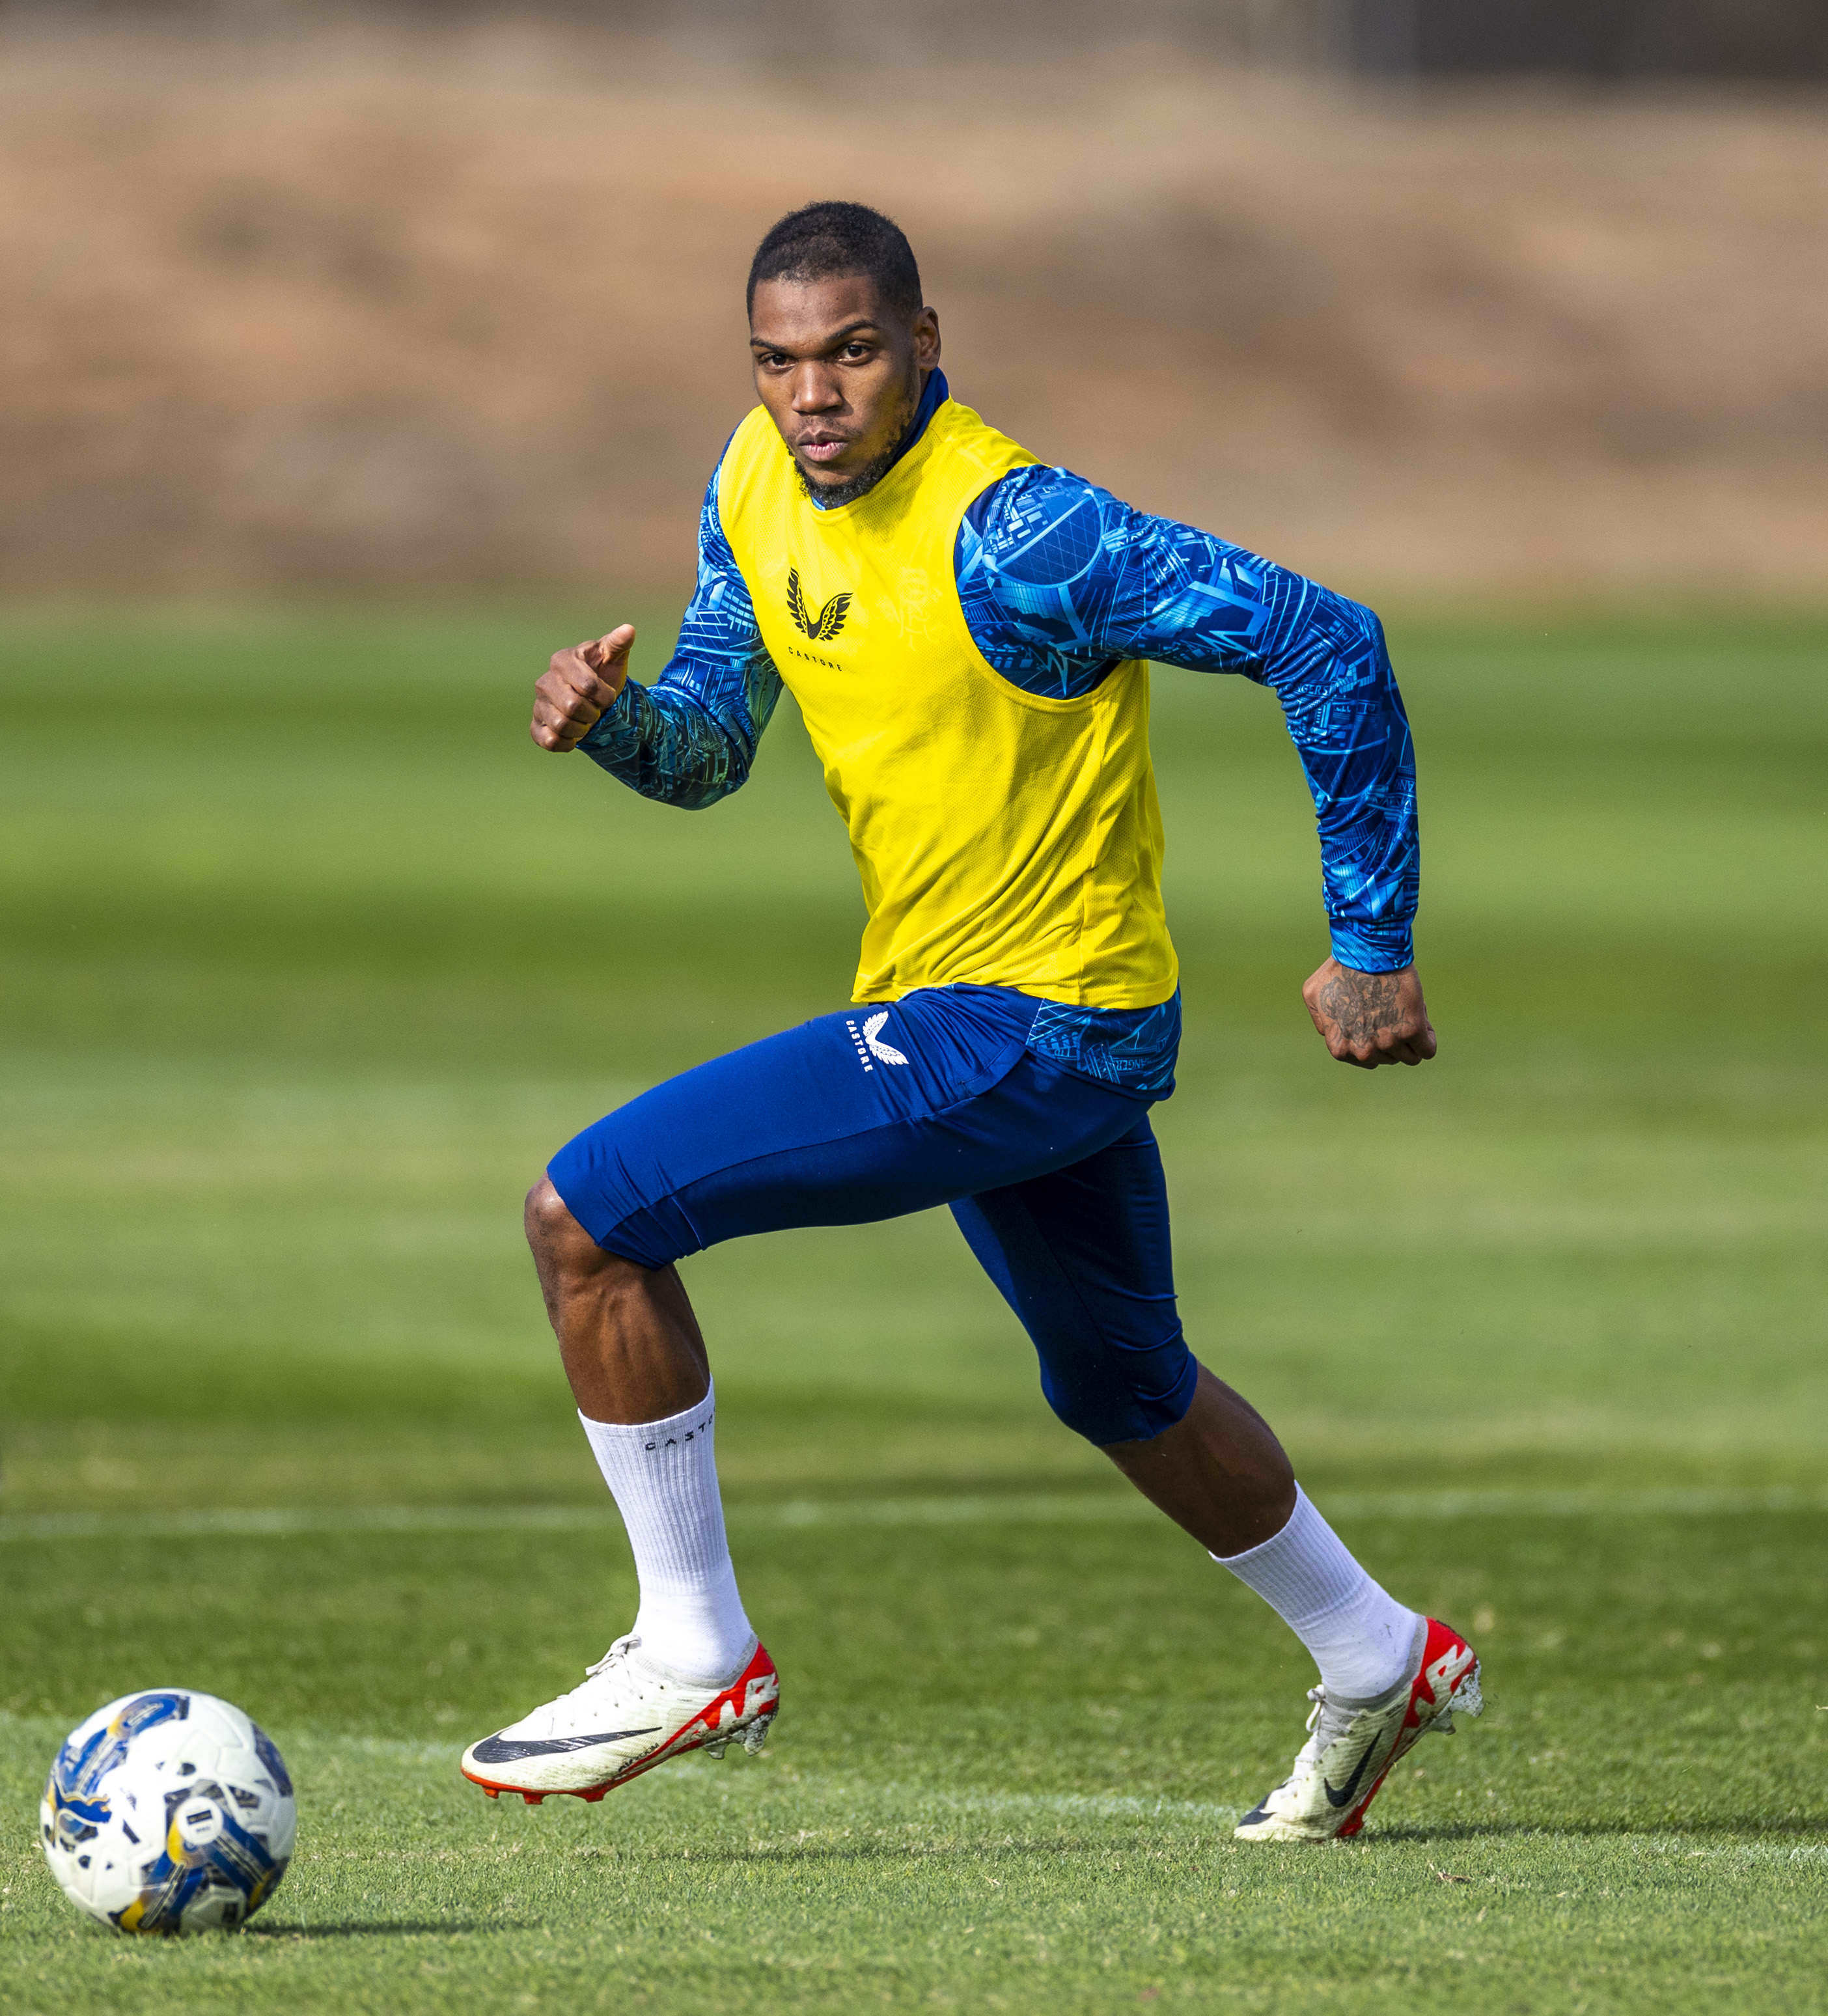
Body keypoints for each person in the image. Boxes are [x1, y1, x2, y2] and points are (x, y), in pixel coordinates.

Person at [460, 202, 1482, 1842]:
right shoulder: (748, 480)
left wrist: (1372, 937)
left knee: (587, 1216)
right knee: (1121, 1383)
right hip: (1005, 1020)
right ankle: (1379, 1655)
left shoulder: (1020, 534)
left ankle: (692, 1647)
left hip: (1024, 1023)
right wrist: (617, 725)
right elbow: (716, 737)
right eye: (782, 361)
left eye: (854, 353)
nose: (816, 397)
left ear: (924, 348)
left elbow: (1324, 638)